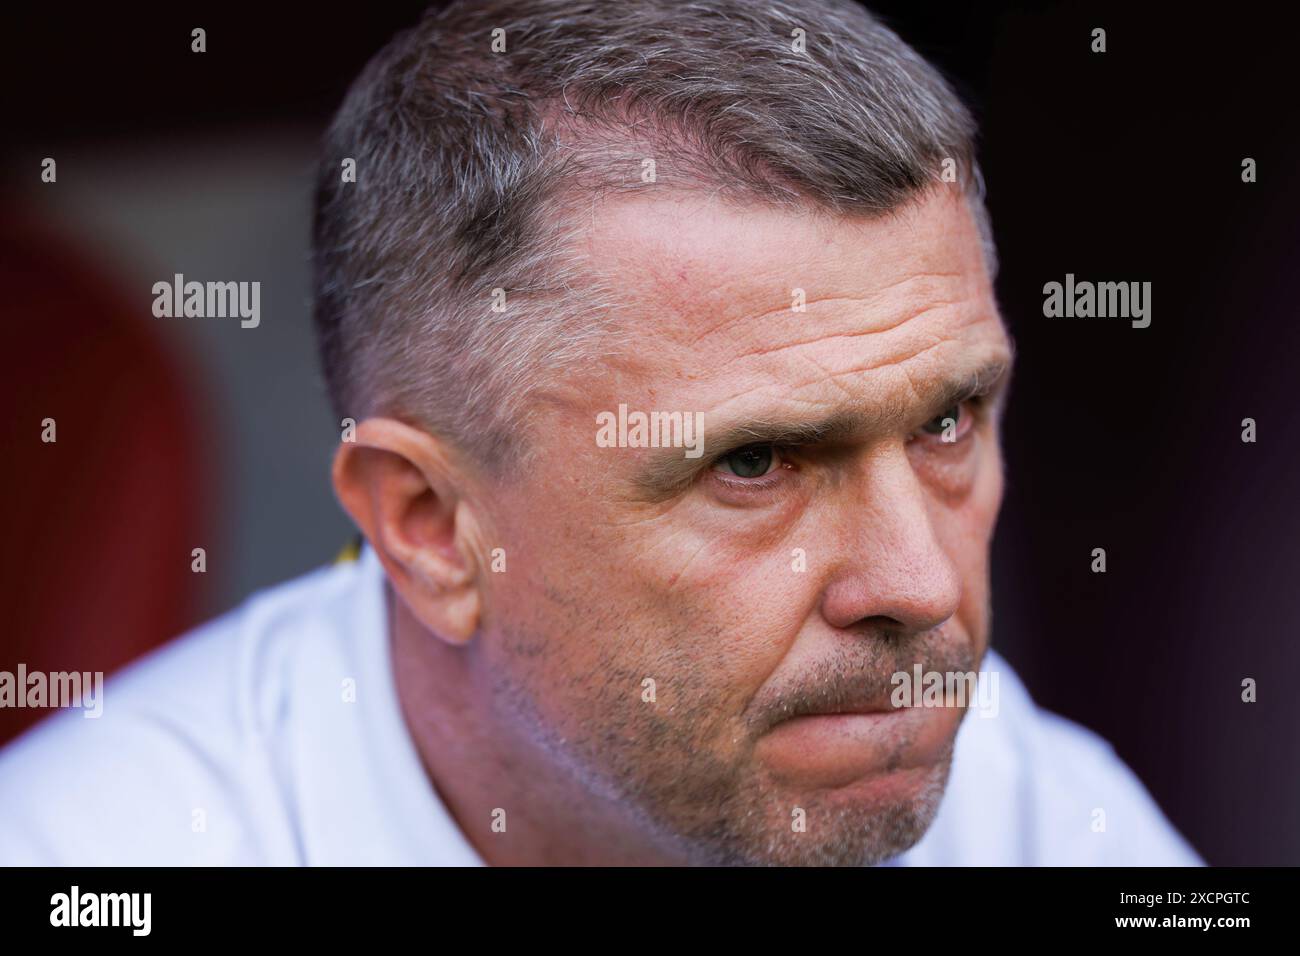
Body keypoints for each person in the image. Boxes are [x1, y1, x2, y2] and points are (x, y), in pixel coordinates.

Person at [0, 0, 1200, 866]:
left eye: (947, 419)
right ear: (431, 528)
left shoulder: (1030, 806)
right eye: (754, 461)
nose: (922, 583)